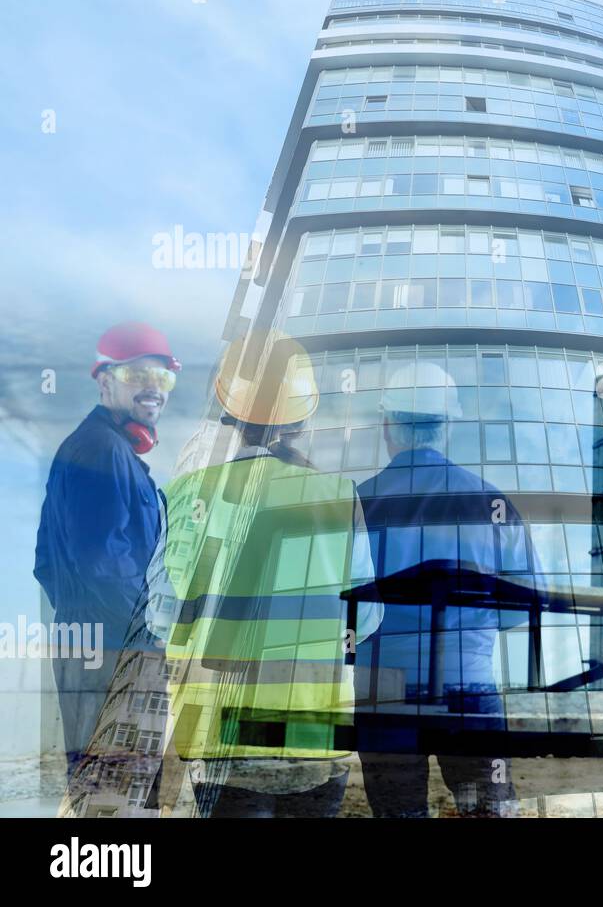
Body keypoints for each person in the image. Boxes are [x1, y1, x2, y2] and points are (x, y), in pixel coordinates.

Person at [156, 330, 380, 817]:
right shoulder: (341, 497)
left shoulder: (187, 494)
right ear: (303, 419)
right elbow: (365, 619)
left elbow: (161, 616)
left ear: (226, 409)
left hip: (218, 732)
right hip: (314, 728)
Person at [352, 360, 539, 817]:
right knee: (489, 810)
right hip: (470, 685)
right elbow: (520, 609)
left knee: (398, 812)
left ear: (388, 425)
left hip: (383, 690)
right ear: (448, 425)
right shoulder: (493, 503)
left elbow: (343, 610)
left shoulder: (355, 504)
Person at [35, 321, 181, 779]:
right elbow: (103, 564)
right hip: (117, 655)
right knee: (121, 792)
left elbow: (47, 563)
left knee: (108, 791)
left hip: (96, 649)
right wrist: (153, 639)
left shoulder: (102, 448)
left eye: (163, 378)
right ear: (105, 381)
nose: (154, 389)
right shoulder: (101, 450)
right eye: (139, 375)